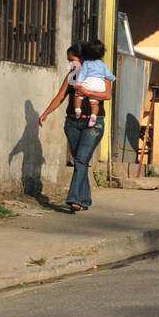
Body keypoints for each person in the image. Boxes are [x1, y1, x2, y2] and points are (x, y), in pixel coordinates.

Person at [40, 42, 114, 212]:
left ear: (83, 59)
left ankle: (73, 198)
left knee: (80, 160)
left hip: (93, 124)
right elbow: (60, 97)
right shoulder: (72, 75)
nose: (70, 64)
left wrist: (89, 94)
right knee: (81, 161)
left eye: (72, 60)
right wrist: (45, 113)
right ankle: (85, 199)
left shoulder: (101, 73)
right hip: (72, 123)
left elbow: (108, 95)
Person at [71, 39, 114, 128]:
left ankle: (78, 110)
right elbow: (108, 75)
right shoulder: (103, 65)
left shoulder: (86, 63)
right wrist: (113, 78)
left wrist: (78, 83)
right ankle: (93, 116)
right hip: (99, 85)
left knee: (78, 96)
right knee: (94, 103)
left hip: (89, 83)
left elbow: (83, 74)